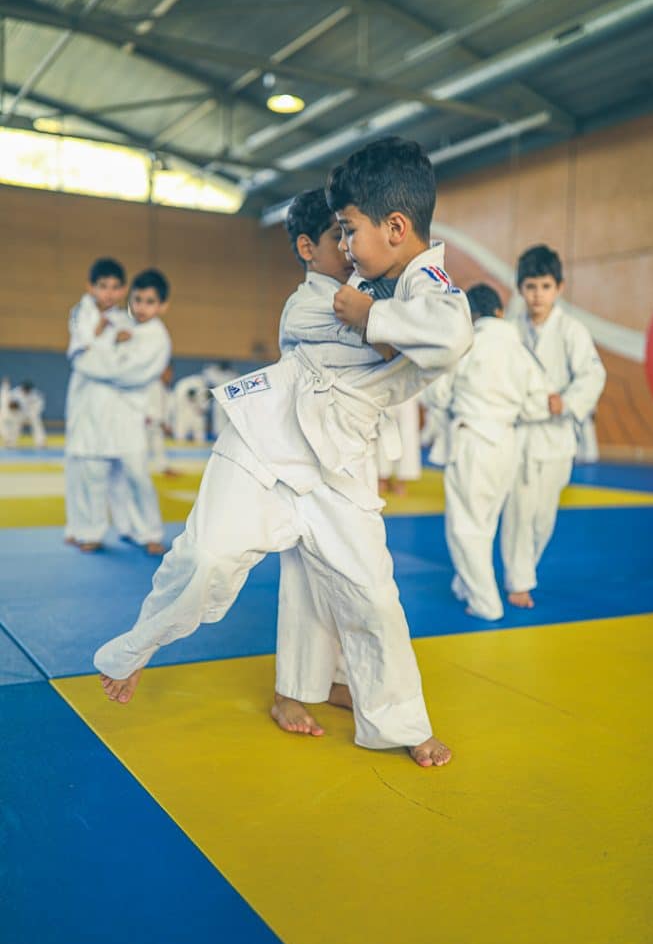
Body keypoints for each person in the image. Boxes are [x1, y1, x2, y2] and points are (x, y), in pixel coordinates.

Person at [94, 137, 473, 768]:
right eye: (339, 235)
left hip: (340, 457)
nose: (348, 249)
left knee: (368, 592)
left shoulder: (420, 285)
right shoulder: (316, 298)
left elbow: (448, 335)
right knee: (209, 556)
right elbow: (375, 336)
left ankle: (392, 717)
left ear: (396, 226)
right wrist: (368, 316)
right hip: (268, 439)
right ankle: (135, 648)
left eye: (350, 231)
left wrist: (372, 318)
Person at [423, 284, 552, 620]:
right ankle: (466, 585)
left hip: (473, 440)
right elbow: (538, 406)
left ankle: (485, 603)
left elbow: (437, 394)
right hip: (506, 441)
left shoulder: (467, 344)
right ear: (499, 311)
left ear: (471, 315)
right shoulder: (520, 350)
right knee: (488, 520)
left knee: (467, 525)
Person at [501, 245, 606, 608]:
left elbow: (593, 375)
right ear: (520, 289)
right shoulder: (508, 331)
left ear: (559, 288)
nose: (537, 295)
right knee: (518, 511)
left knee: (543, 517)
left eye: (545, 286)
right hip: (519, 434)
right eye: (530, 287)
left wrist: (569, 402)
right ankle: (519, 581)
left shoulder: (571, 330)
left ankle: (524, 568)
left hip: (556, 435)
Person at [66, 267, 172, 554]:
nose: (141, 307)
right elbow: (89, 352)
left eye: (150, 302)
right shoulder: (124, 325)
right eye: (137, 300)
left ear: (163, 305)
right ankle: (101, 530)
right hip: (105, 415)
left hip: (130, 417)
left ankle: (149, 533)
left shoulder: (157, 338)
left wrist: (96, 351)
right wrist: (106, 342)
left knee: (137, 476)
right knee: (101, 478)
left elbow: (126, 372)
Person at [64, 257, 128, 545]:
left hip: (111, 405)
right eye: (103, 286)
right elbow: (82, 351)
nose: (109, 293)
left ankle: (96, 532)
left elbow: (123, 360)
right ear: (90, 286)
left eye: (115, 287)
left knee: (102, 474)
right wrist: (104, 337)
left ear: (123, 290)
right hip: (83, 401)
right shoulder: (81, 311)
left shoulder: (125, 319)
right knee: (77, 468)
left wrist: (106, 338)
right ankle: (77, 528)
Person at [376, 397, 422, 495]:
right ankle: (383, 477)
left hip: (408, 393)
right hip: (389, 392)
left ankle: (399, 480)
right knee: (384, 429)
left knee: (407, 434)